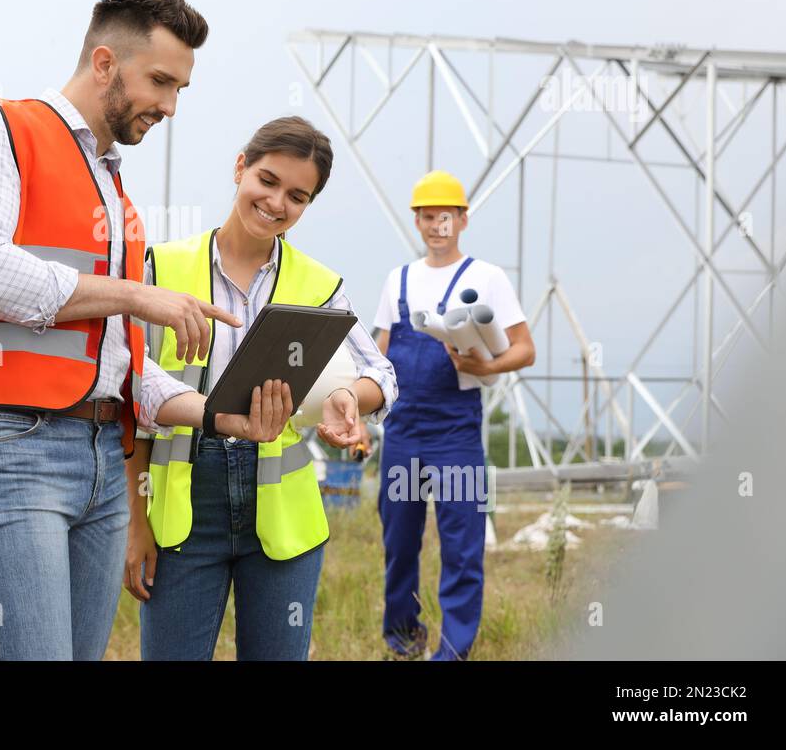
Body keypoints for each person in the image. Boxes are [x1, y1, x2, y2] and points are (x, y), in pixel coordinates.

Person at [0, 0, 295, 660]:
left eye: (180, 91)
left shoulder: (112, 190)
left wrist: (219, 415)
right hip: (5, 448)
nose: (169, 106)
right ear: (105, 63)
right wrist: (136, 295)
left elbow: (124, 369)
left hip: (102, 463)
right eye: (160, 82)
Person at [123, 116, 398, 660]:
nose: (276, 203)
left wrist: (350, 398)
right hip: (182, 513)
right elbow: (130, 399)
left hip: (282, 516)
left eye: (298, 196)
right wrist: (137, 525)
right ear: (240, 168)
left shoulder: (319, 285)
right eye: (267, 181)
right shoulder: (162, 267)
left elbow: (382, 374)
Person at [373, 169, 535, 660]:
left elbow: (524, 350)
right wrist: (359, 420)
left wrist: (487, 363)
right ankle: (403, 638)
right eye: (427, 215)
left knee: (461, 547)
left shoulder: (487, 278)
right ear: (417, 221)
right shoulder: (397, 280)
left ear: (462, 219)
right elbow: (378, 359)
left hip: (454, 434)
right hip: (402, 432)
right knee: (400, 542)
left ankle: (452, 650)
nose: (436, 224)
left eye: (446, 215)